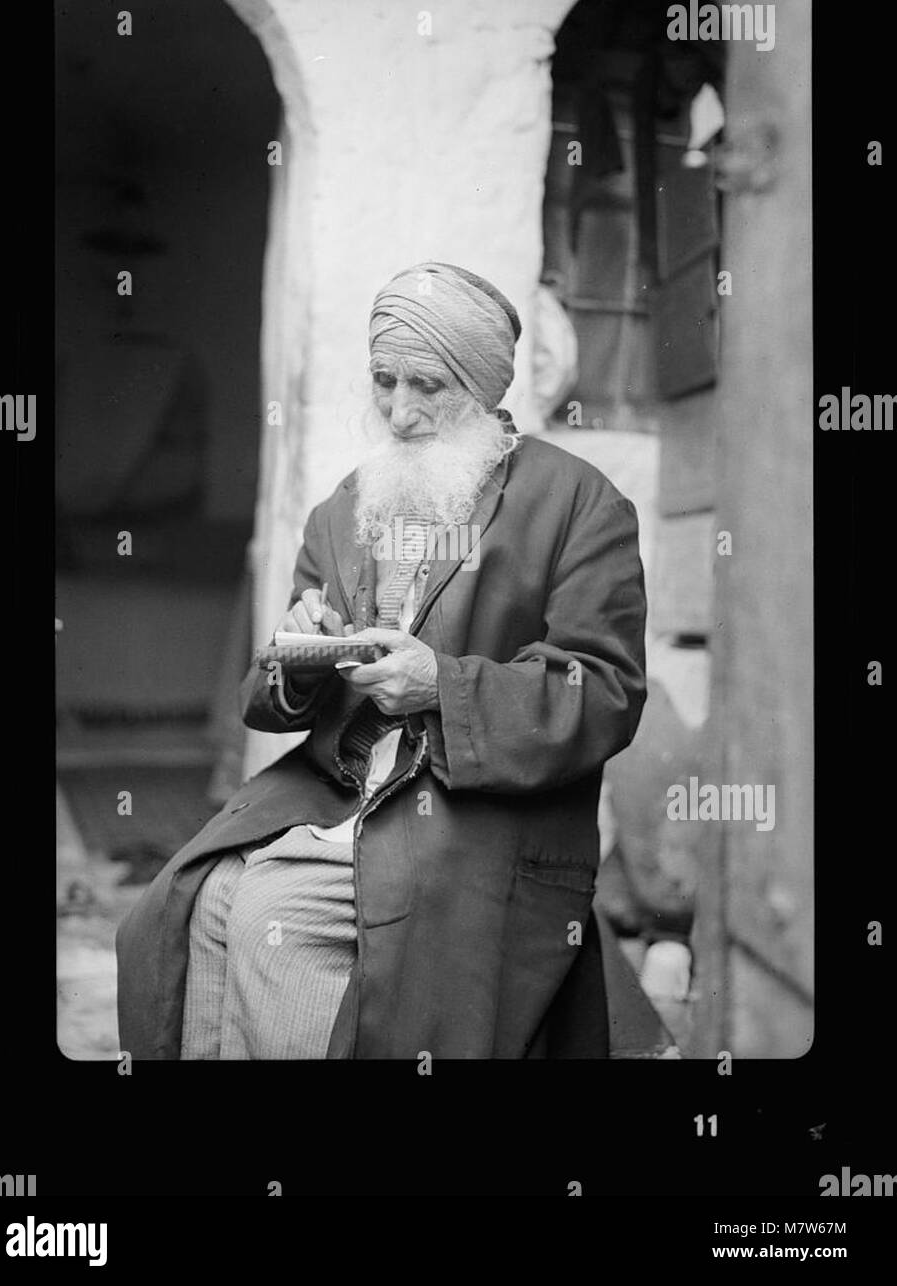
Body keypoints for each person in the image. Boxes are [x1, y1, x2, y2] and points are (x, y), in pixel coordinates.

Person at [116, 261, 648, 1059]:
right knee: (185, 905)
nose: (399, 412)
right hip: (338, 797)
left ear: (481, 385)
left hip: (473, 816)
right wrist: (297, 657)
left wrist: (440, 685)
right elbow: (261, 700)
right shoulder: (346, 505)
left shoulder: (575, 500)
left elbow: (603, 691)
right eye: (384, 381)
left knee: (270, 918)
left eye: (427, 385)